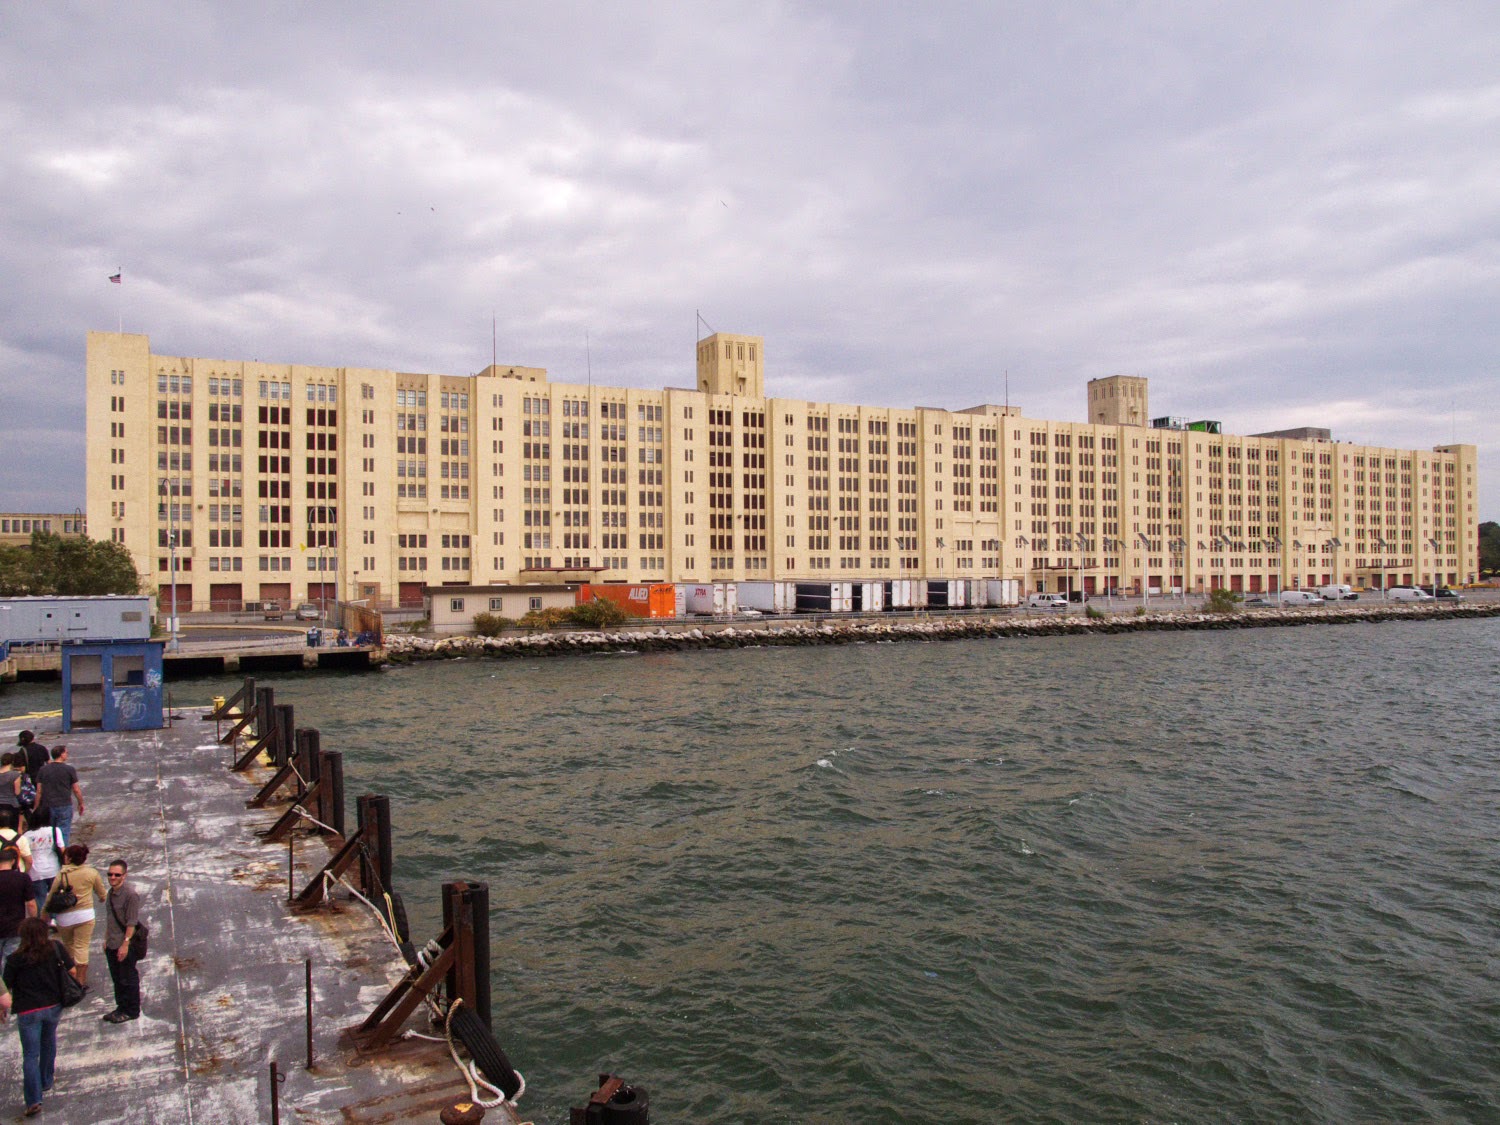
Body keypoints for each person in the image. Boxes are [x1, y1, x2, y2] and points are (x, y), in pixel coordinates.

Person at [3, 917, 76, 1116]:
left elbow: (5, 987)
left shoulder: (15, 959)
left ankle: (33, 1100)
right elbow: (72, 970)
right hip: (53, 1006)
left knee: (30, 1055)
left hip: (28, 1011)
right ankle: (46, 1080)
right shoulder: (55, 949)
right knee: (49, 1042)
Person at [46, 844, 105, 991]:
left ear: (69, 858)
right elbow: (102, 894)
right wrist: (101, 898)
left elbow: (50, 896)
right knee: (82, 946)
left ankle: (70, 978)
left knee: (68, 946)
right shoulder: (91, 873)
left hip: (64, 918)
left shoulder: (62, 875)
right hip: (85, 915)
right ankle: (81, 981)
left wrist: (44, 914)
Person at [102, 859, 143, 1024]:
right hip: (112, 943)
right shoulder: (111, 893)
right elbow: (110, 918)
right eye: (110, 874)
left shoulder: (130, 895)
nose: (112, 877)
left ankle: (131, 1010)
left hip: (124, 945)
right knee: (117, 978)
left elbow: (131, 922)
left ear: (124, 876)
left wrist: (125, 944)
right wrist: (106, 939)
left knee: (128, 978)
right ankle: (121, 1007)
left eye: (117, 875)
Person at [34, 747, 82, 844]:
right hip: (64, 805)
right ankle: (63, 854)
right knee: (63, 832)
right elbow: (76, 789)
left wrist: (36, 806)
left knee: (50, 833)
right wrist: (80, 803)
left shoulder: (43, 769)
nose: (67, 754)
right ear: (61, 754)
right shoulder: (69, 769)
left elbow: (39, 790)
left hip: (47, 805)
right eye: (66, 752)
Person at [0, 849, 35, 961]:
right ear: (13, 861)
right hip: (15, 926)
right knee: (10, 959)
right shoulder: (23, 878)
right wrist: (33, 920)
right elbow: (31, 904)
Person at [21, 823, 62, 917]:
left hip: (35, 871)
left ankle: (42, 920)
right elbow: (62, 848)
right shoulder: (55, 830)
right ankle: (54, 919)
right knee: (54, 895)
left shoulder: (27, 835)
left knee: (40, 898)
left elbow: (26, 855)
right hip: (53, 868)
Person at [0, 754, 26, 832]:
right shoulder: (15, 775)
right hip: (11, 804)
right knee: (12, 828)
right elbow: (17, 792)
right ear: (12, 762)